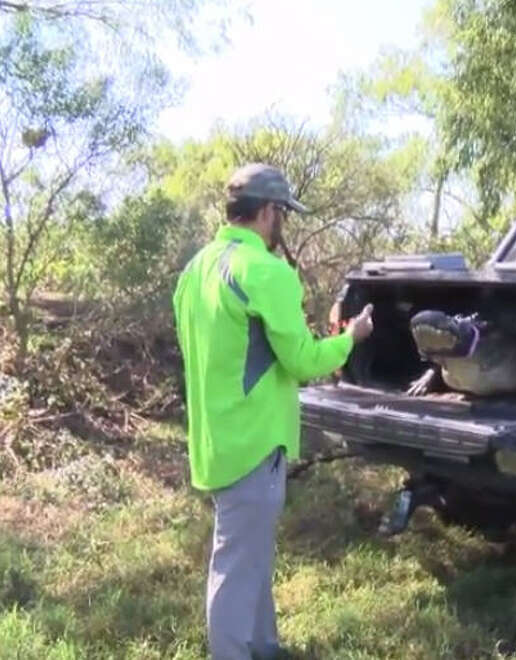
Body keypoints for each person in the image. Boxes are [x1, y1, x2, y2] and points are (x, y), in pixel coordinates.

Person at [172, 163, 374, 659]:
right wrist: (350, 338)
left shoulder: (196, 268)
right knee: (236, 566)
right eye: (282, 211)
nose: (282, 221)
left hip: (215, 439)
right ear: (266, 211)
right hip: (254, 441)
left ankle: (264, 646)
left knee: (250, 553)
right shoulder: (264, 270)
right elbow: (303, 360)